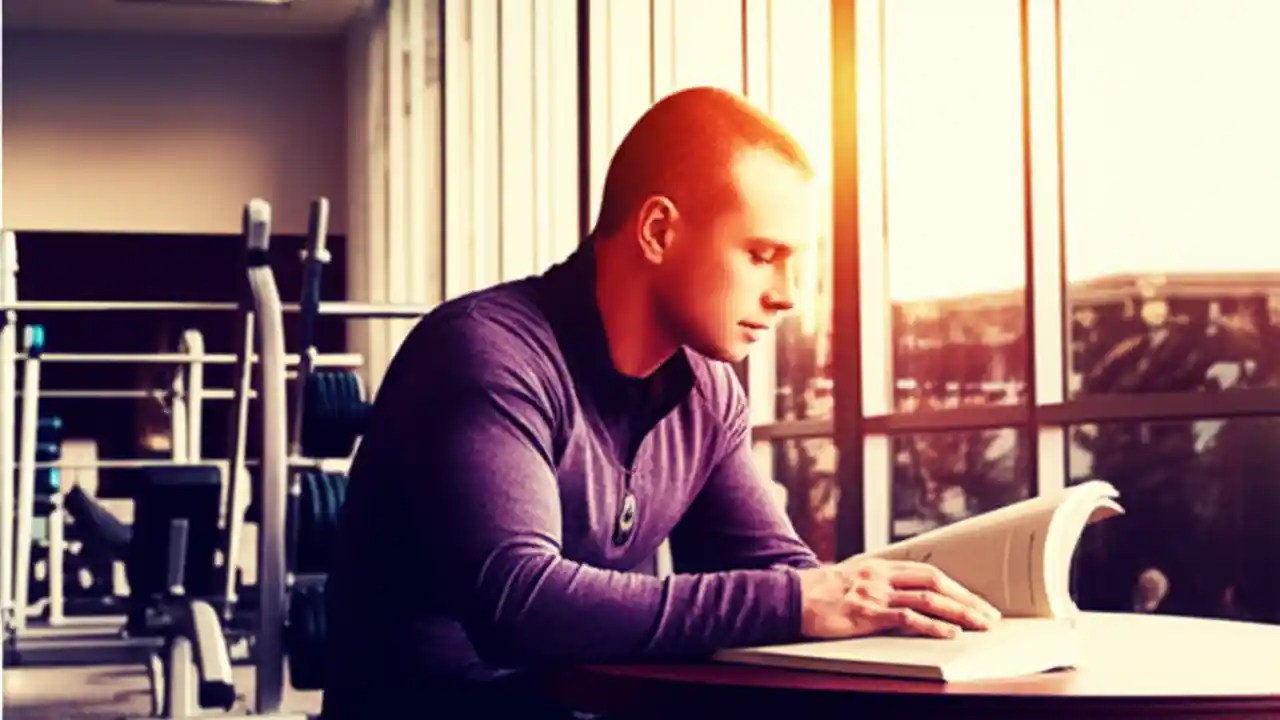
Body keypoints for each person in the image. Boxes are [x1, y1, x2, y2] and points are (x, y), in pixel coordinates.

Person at [320, 86, 1000, 719]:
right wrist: (802, 598)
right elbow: (519, 603)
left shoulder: (707, 391)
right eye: (763, 253)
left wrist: (895, 612)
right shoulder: (482, 353)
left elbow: (771, 575)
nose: (789, 293)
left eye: (799, 262)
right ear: (657, 231)